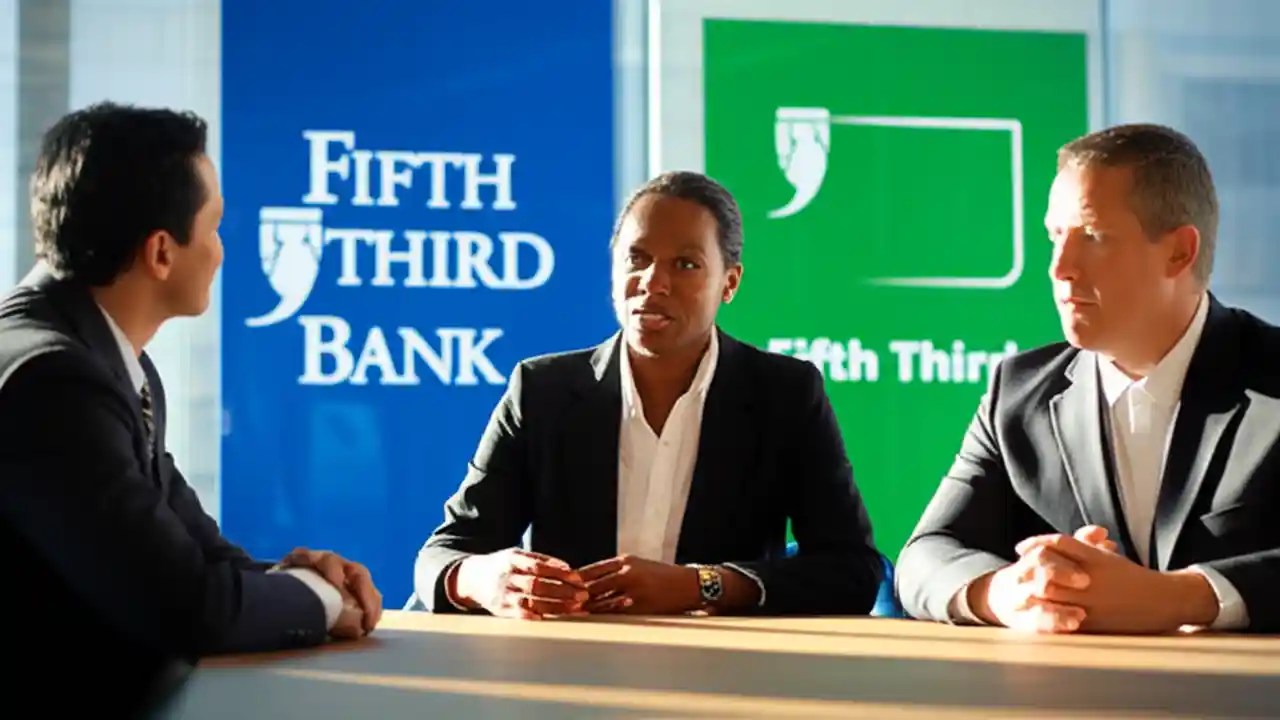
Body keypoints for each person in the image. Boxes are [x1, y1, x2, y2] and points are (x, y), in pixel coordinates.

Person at [0, 102, 383, 712]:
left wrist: (301, 579)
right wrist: (321, 601)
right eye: (215, 226)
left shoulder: (110, 362)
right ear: (160, 252)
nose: (222, 251)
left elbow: (195, 553)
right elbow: (184, 607)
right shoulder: (55, 382)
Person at [412, 171, 881, 618]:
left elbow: (853, 571)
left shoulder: (785, 394)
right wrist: (481, 579)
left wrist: (701, 585)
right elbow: (445, 552)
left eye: (686, 264)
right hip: (564, 666)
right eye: (636, 259)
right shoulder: (542, 391)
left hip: (729, 669)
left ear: (729, 283)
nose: (653, 283)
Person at [897, 123, 1280, 634]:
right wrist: (1006, 592)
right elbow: (924, 555)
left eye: (1094, 237)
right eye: (1055, 235)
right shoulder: (1018, 393)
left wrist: (1182, 598)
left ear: (1179, 253)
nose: (1060, 267)